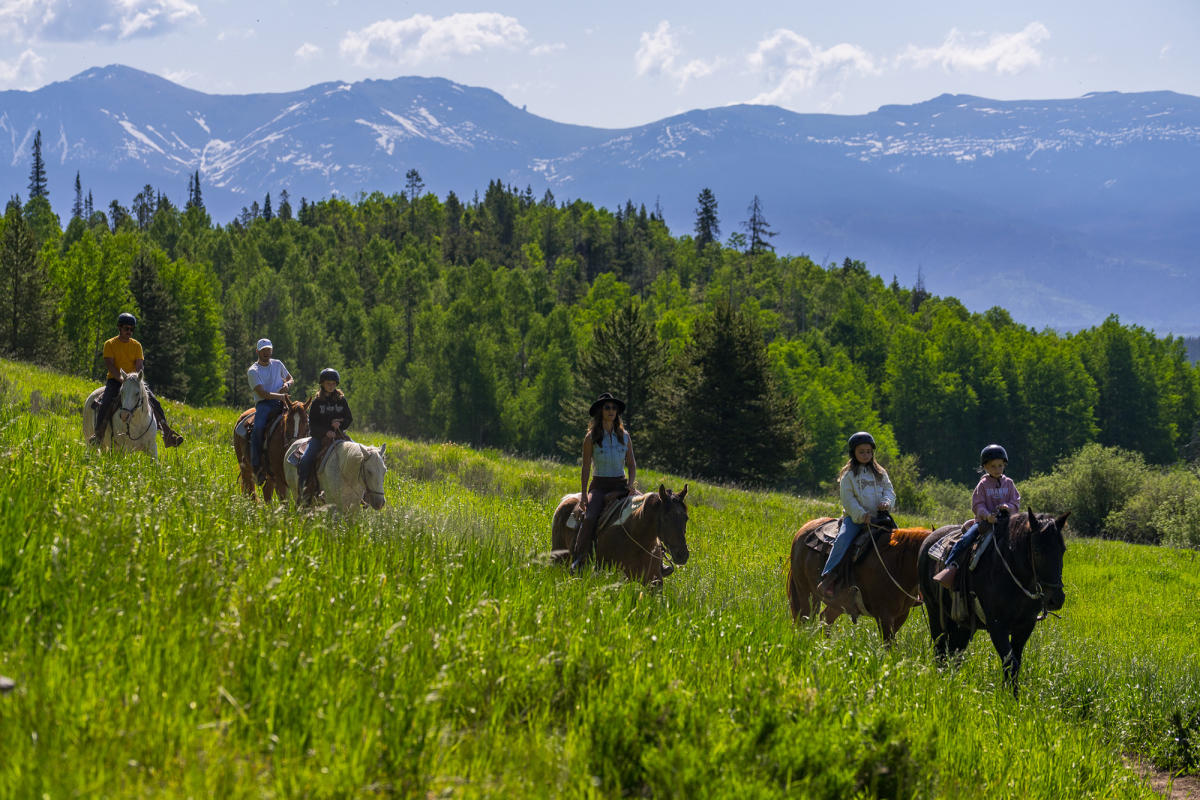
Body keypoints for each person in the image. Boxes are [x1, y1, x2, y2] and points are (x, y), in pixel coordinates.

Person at [818, 431, 896, 599]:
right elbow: (848, 500)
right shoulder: (848, 475)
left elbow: (889, 490)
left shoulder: (880, 472)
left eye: (868, 451)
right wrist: (861, 515)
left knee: (901, 542)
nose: (866, 455)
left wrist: (886, 502)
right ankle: (829, 576)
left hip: (880, 518)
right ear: (853, 453)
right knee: (843, 539)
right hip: (855, 519)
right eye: (861, 452)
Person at [89, 312, 184, 447]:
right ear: (119, 328)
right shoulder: (109, 344)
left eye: (132, 329)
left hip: (134, 382)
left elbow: (139, 366)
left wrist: (136, 379)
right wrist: (122, 380)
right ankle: (98, 436)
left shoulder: (137, 345)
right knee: (106, 403)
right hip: (115, 380)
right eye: (126, 328)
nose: (129, 331)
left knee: (155, 402)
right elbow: (110, 365)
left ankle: (167, 435)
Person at [934, 444, 1020, 589]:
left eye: (1000, 465)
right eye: (993, 466)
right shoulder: (983, 485)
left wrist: (1008, 507)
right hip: (985, 523)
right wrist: (987, 516)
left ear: (1004, 465)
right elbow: (978, 505)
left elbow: (1016, 501)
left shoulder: (1009, 483)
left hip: (1006, 522)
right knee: (967, 538)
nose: (997, 469)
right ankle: (951, 564)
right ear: (985, 467)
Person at [571, 392, 637, 572]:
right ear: (600, 411)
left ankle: (657, 559)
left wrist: (631, 484)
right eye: (607, 407)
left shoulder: (625, 436)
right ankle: (580, 558)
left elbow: (632, 464)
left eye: (614, 408)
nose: (611, 411)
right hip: (599, 487)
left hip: (622, 485)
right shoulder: (590, 437)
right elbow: (585, 468)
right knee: (590, 517)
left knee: (648, 508)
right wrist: (584, 494)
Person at [297, 367, 353, 500]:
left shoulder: (341, 400)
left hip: (339, 436)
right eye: (328, 383)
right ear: (322, 384)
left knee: (358, 456)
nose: (331, 386)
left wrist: (340, 424)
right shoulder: (317, 402)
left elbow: (349, 418)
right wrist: (326, 432)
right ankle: (303, 492)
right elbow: (312, 425)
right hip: (319, 438)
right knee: (305, 460)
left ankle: (362, 494)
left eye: (333, 383)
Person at [247, 338, 294, 483]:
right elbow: (263, 394)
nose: (266, 352)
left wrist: (287, 385)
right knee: (258, 428)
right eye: (263, 350)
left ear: (272, 350)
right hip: (264, 404)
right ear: (258, 352)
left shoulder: (278, 363)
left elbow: (290, 378)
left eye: (268, 350)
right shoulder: (253, 371)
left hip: (282, 401)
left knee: (302, 420)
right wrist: (281, 396)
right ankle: (257, 467)